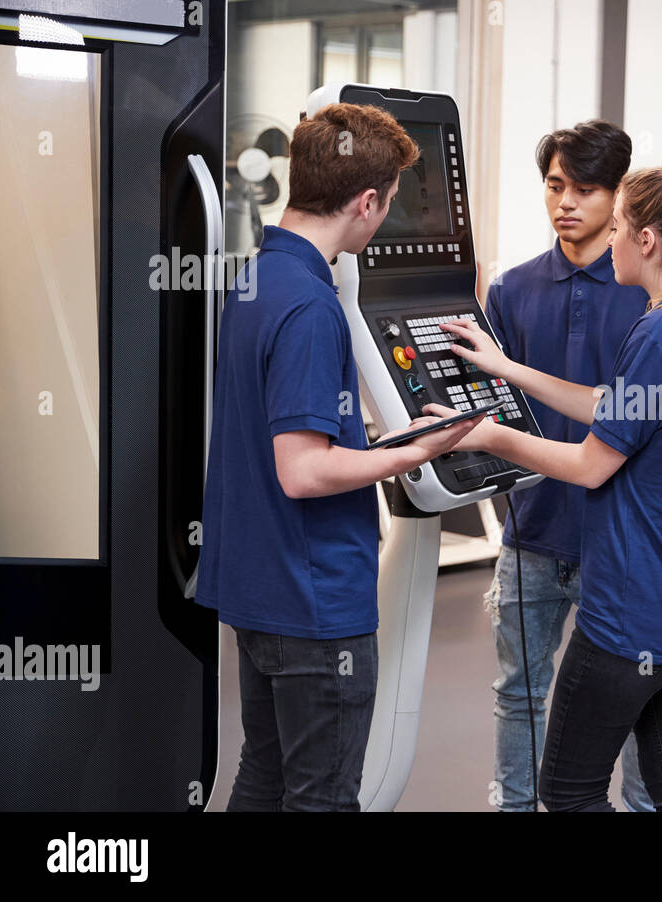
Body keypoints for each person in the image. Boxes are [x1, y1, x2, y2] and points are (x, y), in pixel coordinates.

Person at [431, 164, 662, 811]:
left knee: (570, 791)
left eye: (623, 227)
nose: (612, 241)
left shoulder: (661, 331)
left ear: (650, 241)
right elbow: (617, 405)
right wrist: (508, 369)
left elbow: (588, 465)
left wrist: (487, 435)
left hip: (634, 612)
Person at [195, 103, 484, 810]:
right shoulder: (313, 306)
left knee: (262, 781)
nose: (384, 220)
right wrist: (416, 448)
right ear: (365, 201)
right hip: (315, 605)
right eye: (387, 205)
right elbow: (304, 469)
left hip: (258, 591)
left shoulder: (258, 279)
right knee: (322, 798)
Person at [482, 120, 654, 811]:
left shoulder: (648, 294)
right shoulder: (512, 291)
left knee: (638, 699)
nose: (567, 203)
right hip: (532, 536)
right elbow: (495, 408)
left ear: (617, 199)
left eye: (586, 189)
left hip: (621, 539)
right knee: (517, 692)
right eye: (556, 186)